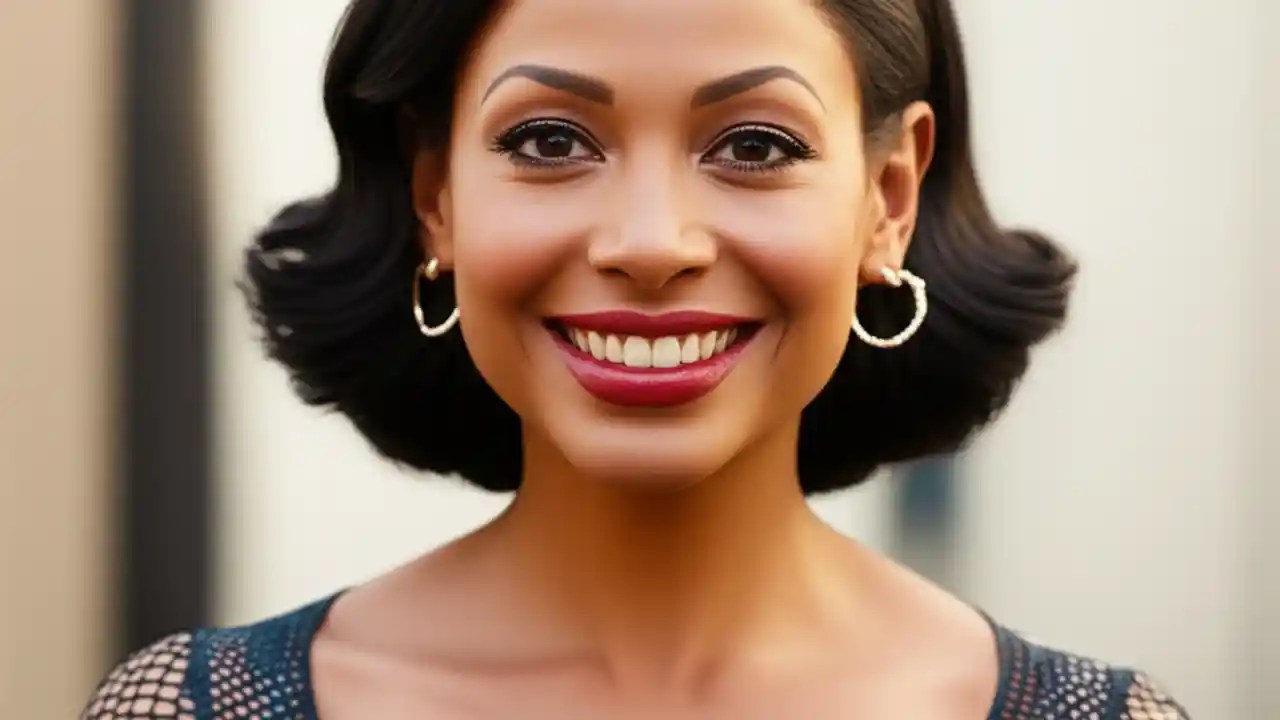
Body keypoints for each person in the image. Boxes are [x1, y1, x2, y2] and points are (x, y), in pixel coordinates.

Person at [81, 0, 1191, 718]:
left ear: (885, 201)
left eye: (753, 146)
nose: (652, 243)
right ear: (435, 199)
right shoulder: (190, 709)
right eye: (549, 141)